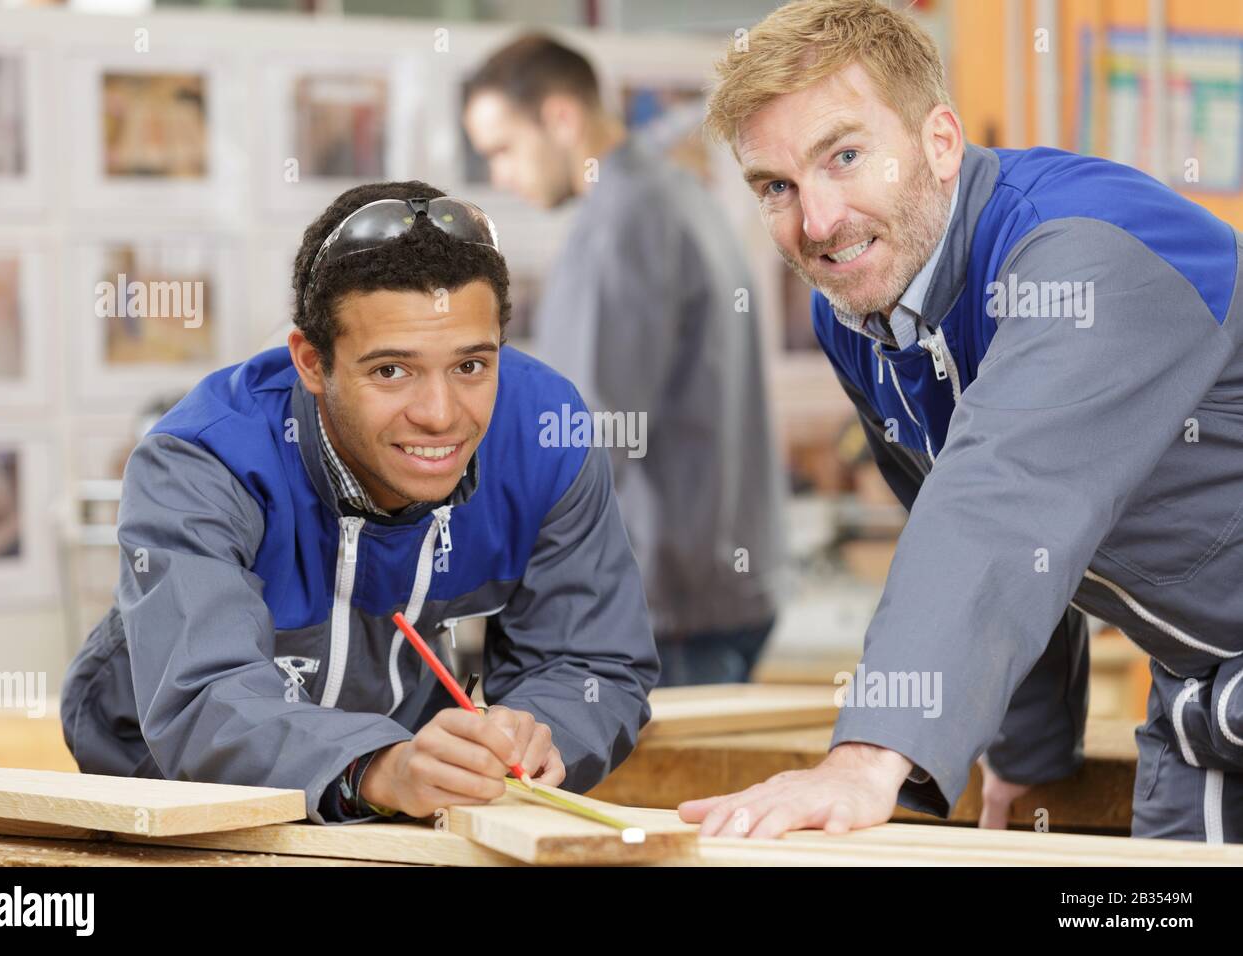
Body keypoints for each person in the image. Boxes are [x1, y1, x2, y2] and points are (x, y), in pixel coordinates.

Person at [681, 0, 1243, 842]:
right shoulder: (862, 312)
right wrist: (1029, 756)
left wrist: (873, 756)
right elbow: (988, 537)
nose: (819, 221)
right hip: (1201, 687)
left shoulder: (1082, 253)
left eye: (845, 155)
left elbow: (1003, 501)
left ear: (940, 142)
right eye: (778, 187)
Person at [61, 180, 659, 823]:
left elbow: (591, 660)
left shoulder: (547, 434)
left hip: (395, 783)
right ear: (312, 363)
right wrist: (378, 767)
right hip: (173, 786)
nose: (440, 416)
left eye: (470, 366)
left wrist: (538, 736)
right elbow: (206, 697)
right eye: (390, 371)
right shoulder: (200, 461)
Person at [463, 34, 786, 685]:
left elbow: (587, 435)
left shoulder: (621, 224)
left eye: (503, 149)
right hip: (716, 588)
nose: (499, 175)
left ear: (560, 117)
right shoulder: (676, 194)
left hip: (668, 609)